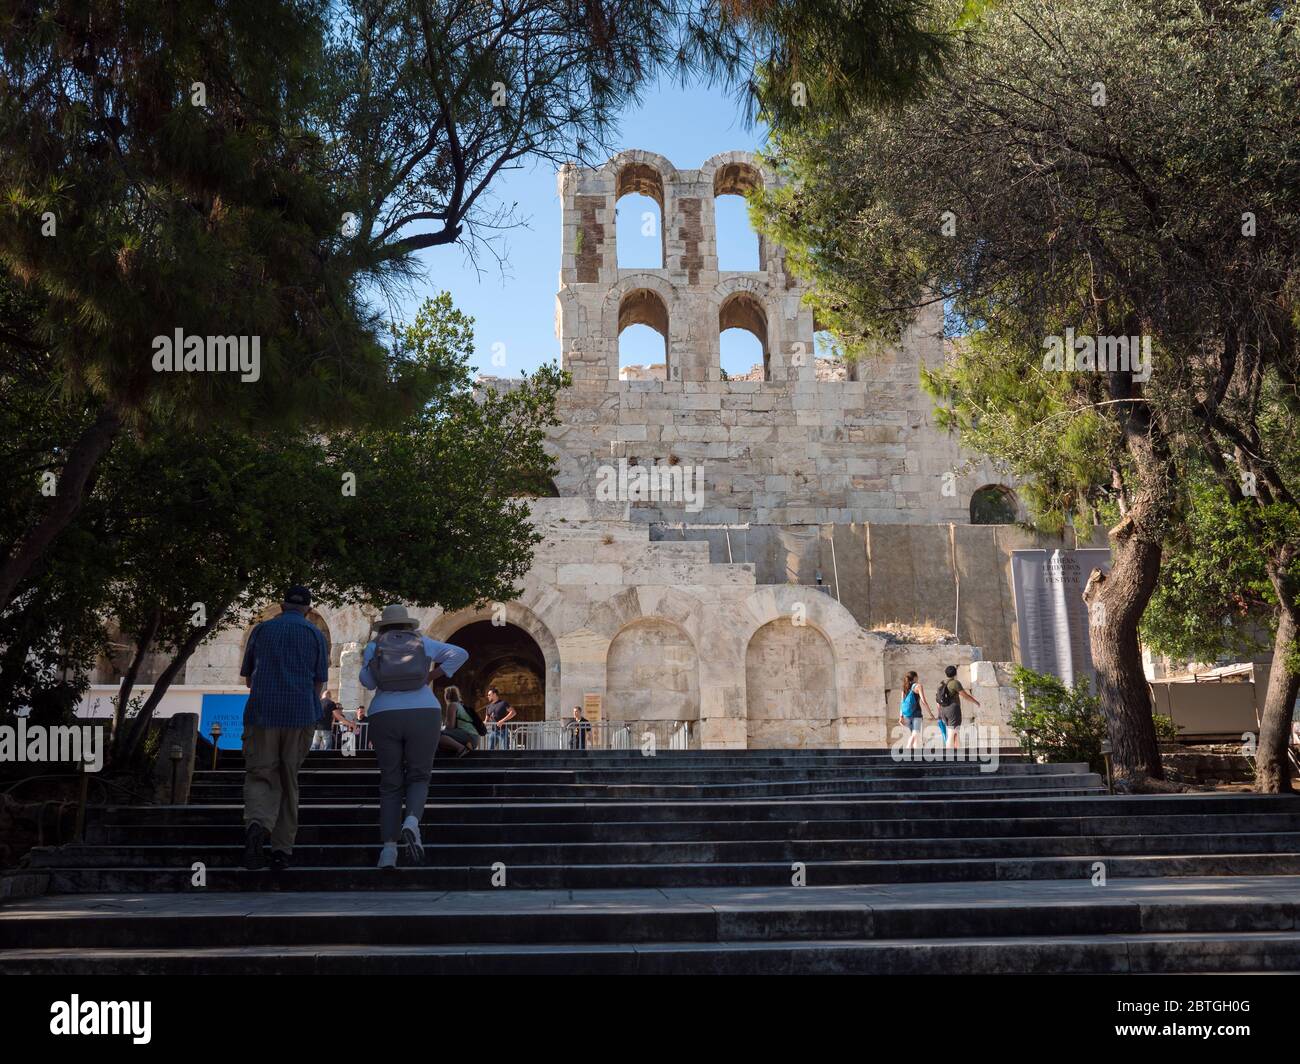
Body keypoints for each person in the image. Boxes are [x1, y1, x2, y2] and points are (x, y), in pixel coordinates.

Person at [359, 605, 468, 870]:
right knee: (419, 775)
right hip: (424, 710)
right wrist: (429, 675)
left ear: (383, 626)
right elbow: (460, 653)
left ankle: (388, 850)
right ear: (408, 624)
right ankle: (412, 822)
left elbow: (368, 683)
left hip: (384, 713)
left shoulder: (375, 646)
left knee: (390, 782)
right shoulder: (422, 642)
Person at [240, 585, 329, 872]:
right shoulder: (315, 634)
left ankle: (257, 824)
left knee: (260, 774)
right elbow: (319, 682)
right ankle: (281, 850)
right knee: (289, 780)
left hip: (262, 712)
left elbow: (249, 680)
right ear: (307, 608)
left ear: (282, 604)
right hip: (300, 714)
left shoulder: (262, 631)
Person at [935, 664, 981, 749]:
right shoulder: (955, 683)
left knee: (954, 732)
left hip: (943, 710)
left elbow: (938, 699)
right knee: (952, 733)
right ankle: (949, 755)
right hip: (953, 710)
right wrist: (976, 702)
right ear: (955, 673)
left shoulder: (941, 684)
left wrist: (940, 712)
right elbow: (965, 695)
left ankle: (958, 752)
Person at [439, 684, 479, 757]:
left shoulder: (452, 705)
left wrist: (442, 727)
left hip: (467, 735)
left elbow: (450, 726)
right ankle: (465, 746)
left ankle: (461, 748)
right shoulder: (461, 705)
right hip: (474, 738)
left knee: (438, 735)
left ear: (447, 695)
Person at [897, 671, 931, 754]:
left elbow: (902, 703)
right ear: (915, 677)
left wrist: (900, 716)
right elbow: (923, 701)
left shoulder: (905, 688)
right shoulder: (918, 686)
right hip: (916, 713)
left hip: (906, 714)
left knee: (912, 734)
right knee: (916, 732)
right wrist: (930, 713)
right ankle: (909, 746)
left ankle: (915, 753)